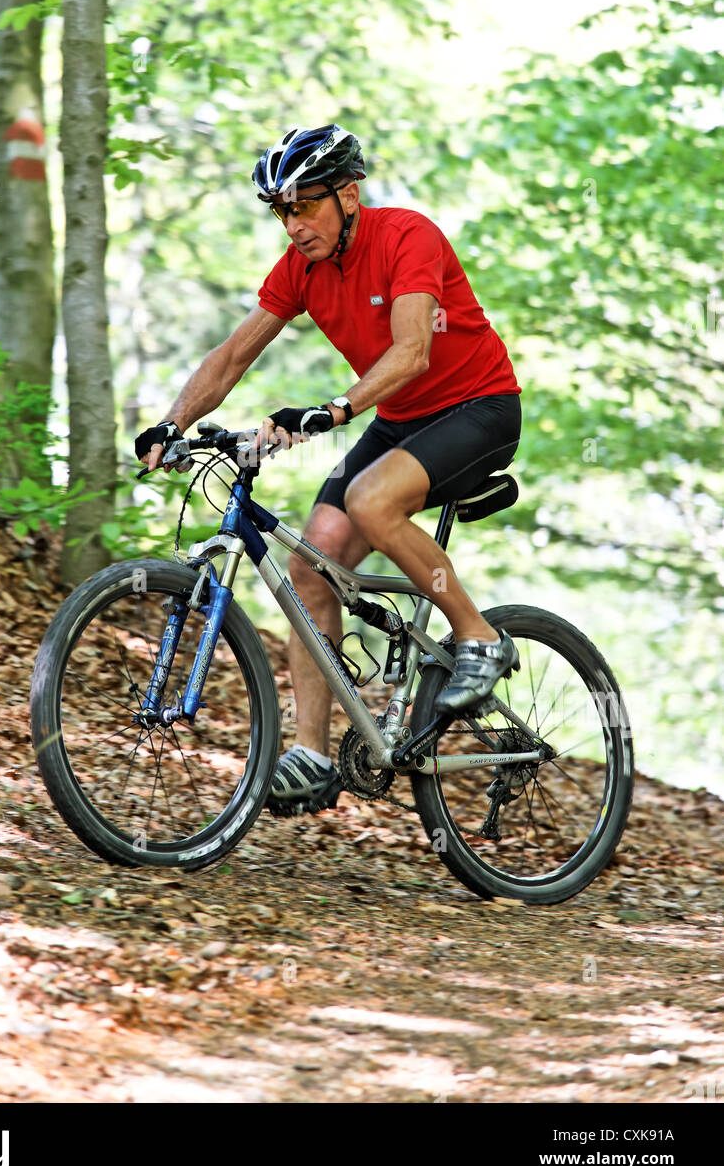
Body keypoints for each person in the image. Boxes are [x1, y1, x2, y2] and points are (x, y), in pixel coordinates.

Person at [135, 124, 522, 816]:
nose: (293, 224)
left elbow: (411, 354)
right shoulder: (301, 268)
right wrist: (174, 421)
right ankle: (311, 756)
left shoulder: (408, 237)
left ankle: (480, 637)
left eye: (305, 205)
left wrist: (334, 410)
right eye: (281, 210)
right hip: (403, 421)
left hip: (479, 408)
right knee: (310, 566)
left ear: (348, 194)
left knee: (373, 500)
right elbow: (231, 356)